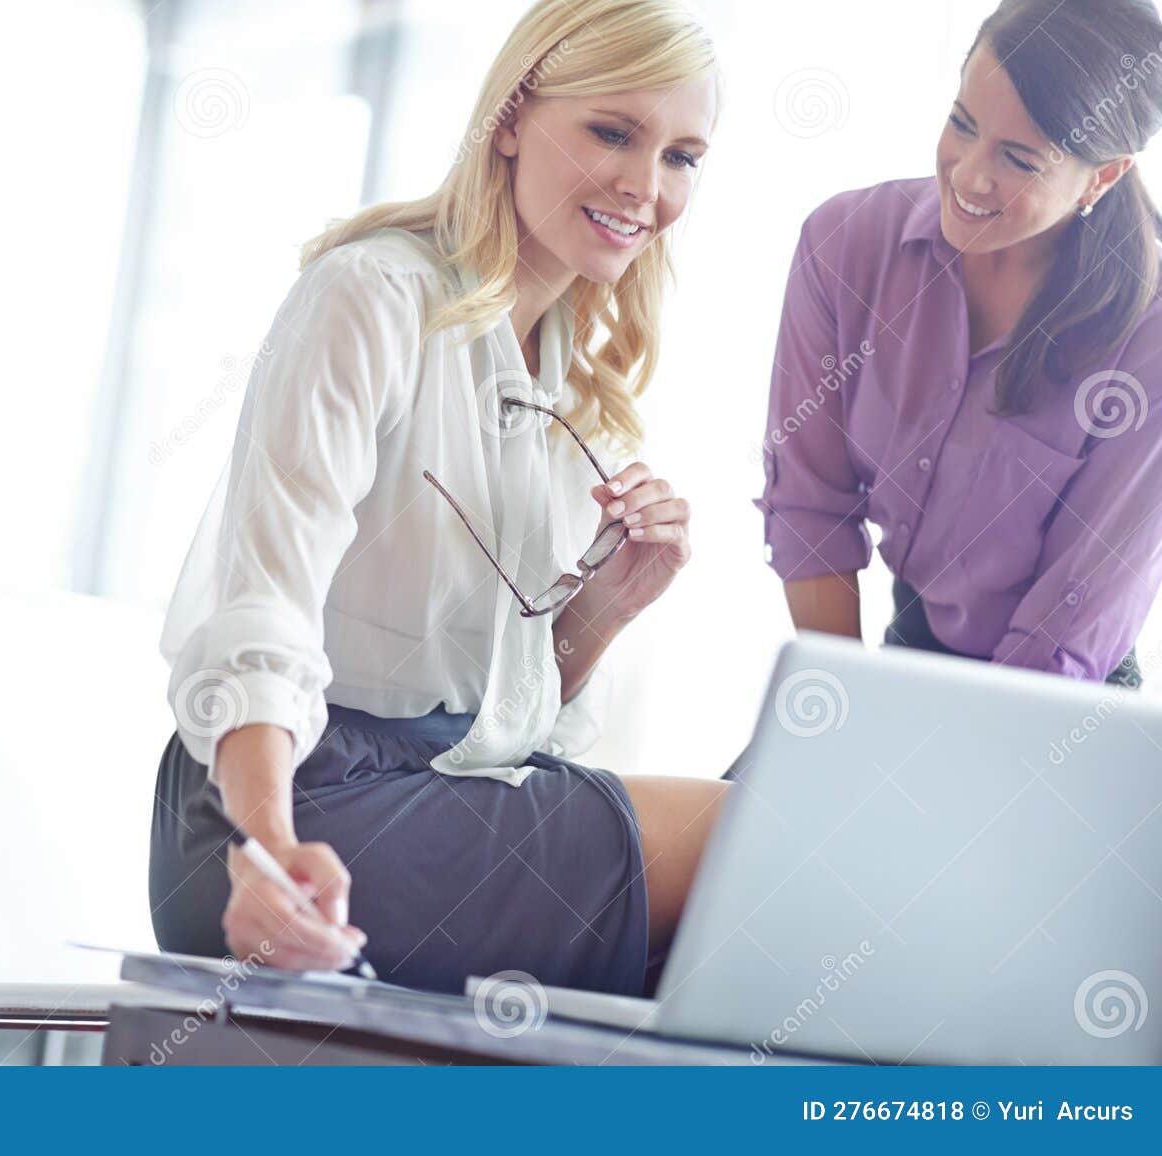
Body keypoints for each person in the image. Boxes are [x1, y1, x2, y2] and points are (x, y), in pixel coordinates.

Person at [149, 0, 724, 997]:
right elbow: (263, 607)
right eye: (611, 132)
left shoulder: (582, 389)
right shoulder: (367, 298)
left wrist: (610, 605)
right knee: (742, 840)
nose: (646, 186)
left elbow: (506, 714)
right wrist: (271, 849)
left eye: (681, 156)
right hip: (278, 806)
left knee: (719, 937)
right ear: (508, 118)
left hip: (437, 788)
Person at [759, 0, 1162, 690]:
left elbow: (1071, 616)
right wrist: (848, 709)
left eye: (1019, 159)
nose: (969, 176)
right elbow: (811, 504)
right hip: (911, 648)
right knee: (752, 800)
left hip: (1059, 692)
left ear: (1103, 176)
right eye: (962, 124)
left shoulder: (1146, 336)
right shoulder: (847, 245)